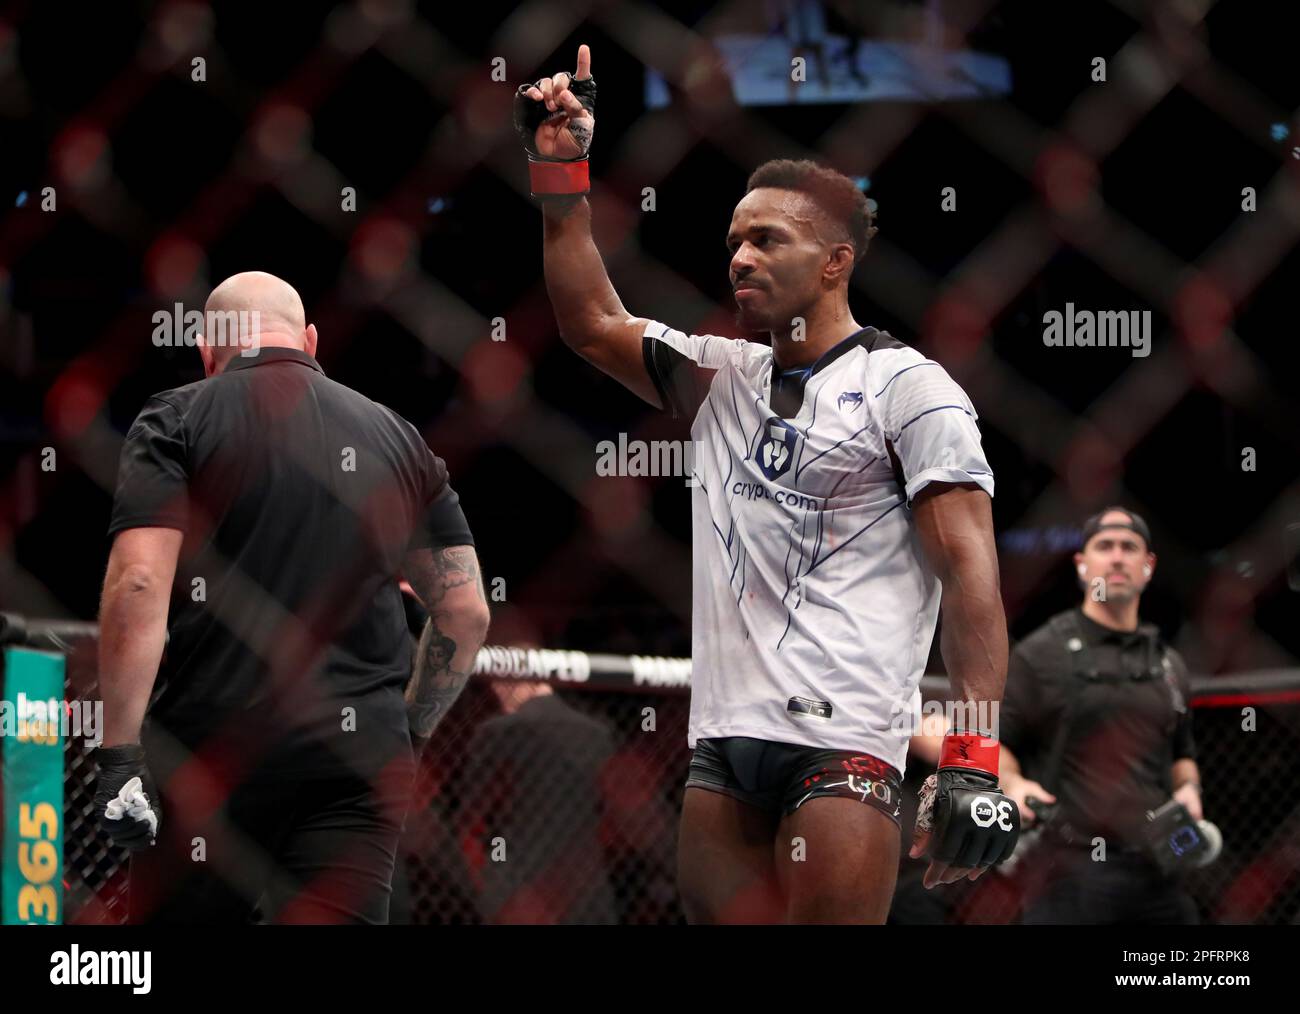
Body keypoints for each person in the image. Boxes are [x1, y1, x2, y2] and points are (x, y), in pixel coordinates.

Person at [516, 45, 1018, 924]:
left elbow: (969, 573)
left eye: (766, 239)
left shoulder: (912, 390)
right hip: (724, 744)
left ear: (834, 262)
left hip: (847, 744)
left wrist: (974, 757)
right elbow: (591, 321)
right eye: (734, 242)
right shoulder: (720, 377)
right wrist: (561, 172)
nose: (739, 259)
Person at [95, 271, 490, 924]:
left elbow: (139, 581)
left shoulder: (179, 416)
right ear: (310, 340)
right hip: (358, 750)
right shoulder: (397, 437)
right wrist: (411, 730)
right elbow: (466, 611)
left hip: (213, 745)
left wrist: (119, 753)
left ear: (206, 348)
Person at [997, 506, 1204, 924]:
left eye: (1129, 548)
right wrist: (1014, 783)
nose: (1117, 557)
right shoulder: (1041, 653)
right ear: (1081, 564)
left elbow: (1182, 752)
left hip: (1155, 869)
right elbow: (999, 741)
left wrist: (1190, 791)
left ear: (1147, 567)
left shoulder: (1168, 665)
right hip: (1066, 869)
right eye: (1104, 546)